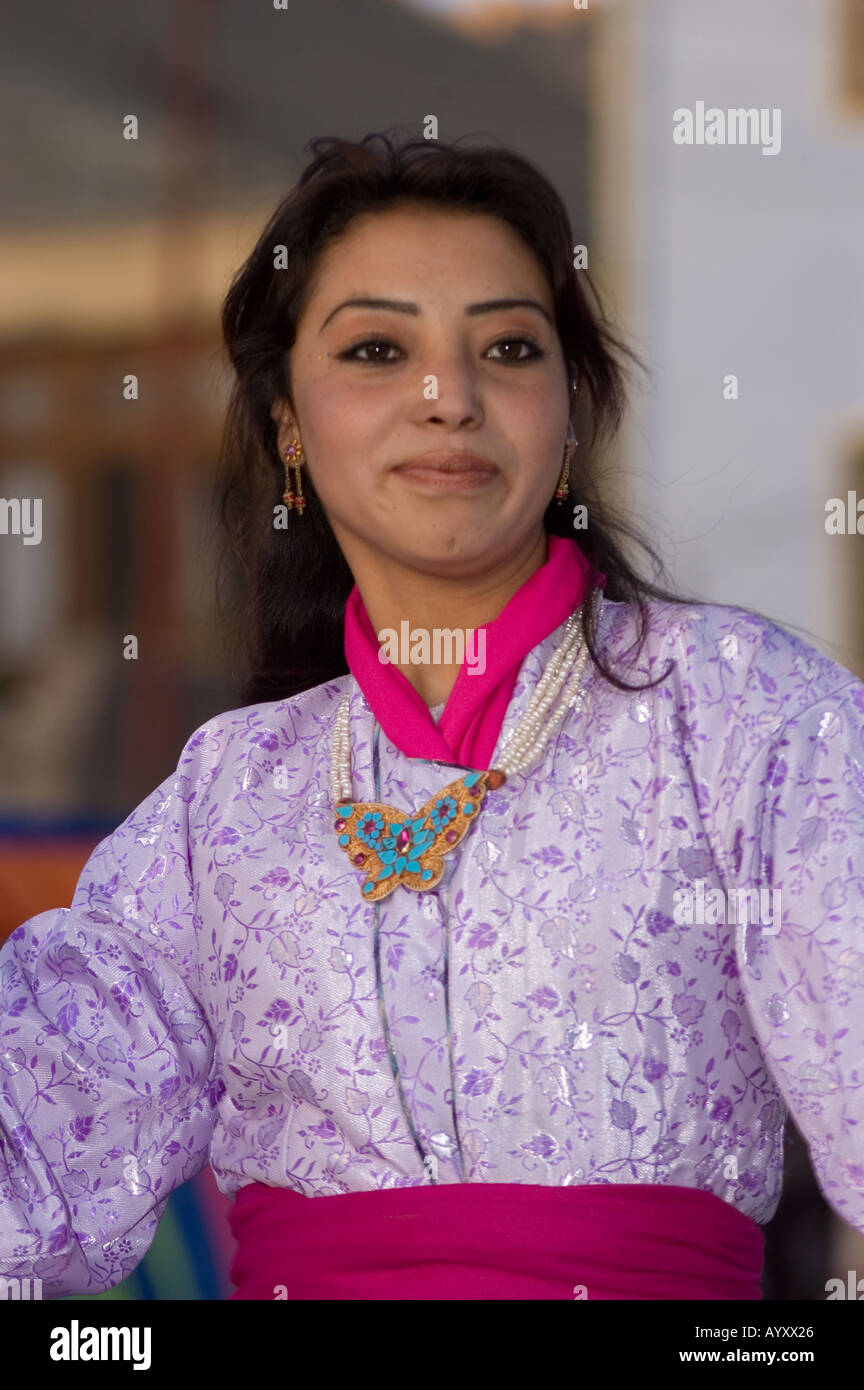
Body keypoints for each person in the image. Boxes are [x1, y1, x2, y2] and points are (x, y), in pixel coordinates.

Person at [2, 130, 862, 1302]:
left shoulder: (745, 714)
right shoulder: (227, 799)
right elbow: (30, 1169)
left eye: (508, 347)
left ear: (569, 414)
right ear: (288, 424)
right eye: (377, 349)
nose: (448, 397)